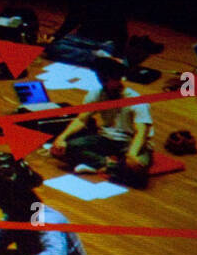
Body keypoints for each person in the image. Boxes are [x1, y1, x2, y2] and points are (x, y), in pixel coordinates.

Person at [49, 58, 153, 187]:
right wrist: (62, 137)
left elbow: (141, 132)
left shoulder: (137, 101)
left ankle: (98, 165)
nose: (102, 83)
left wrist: (132, 154)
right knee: (65, 148)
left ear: (117, 79)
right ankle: (110, 165)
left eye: (106, 79)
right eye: (101, 79)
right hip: (106, 138)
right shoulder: (97, 94)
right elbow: (81, 119)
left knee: (139, 170)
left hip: (131, 142)